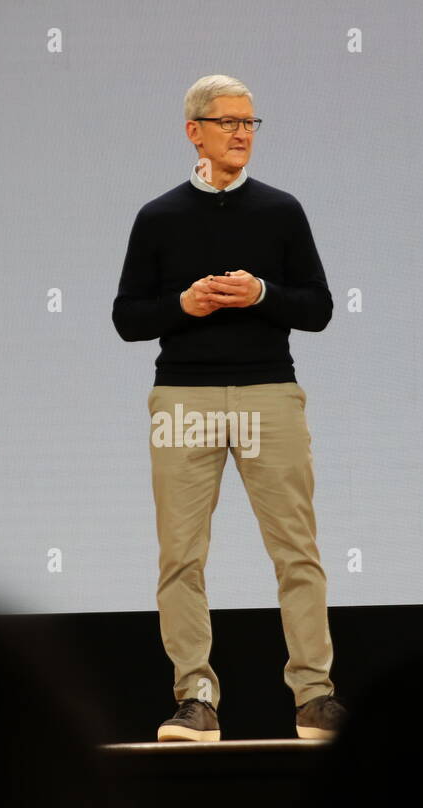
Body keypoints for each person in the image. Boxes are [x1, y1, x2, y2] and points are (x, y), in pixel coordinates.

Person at [112, 74, 345, 742]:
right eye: (229, 122)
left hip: (269, 391)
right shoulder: (159, 218)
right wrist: (181, 305)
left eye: (250, 123)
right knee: (180, 556)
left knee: (297, 551)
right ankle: (196, 698)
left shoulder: (281, 212)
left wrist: (264, 293)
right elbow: (128, 318)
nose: (243, 133)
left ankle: (313, 697)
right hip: (183, 395)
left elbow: (319, 308)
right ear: (195, 131)